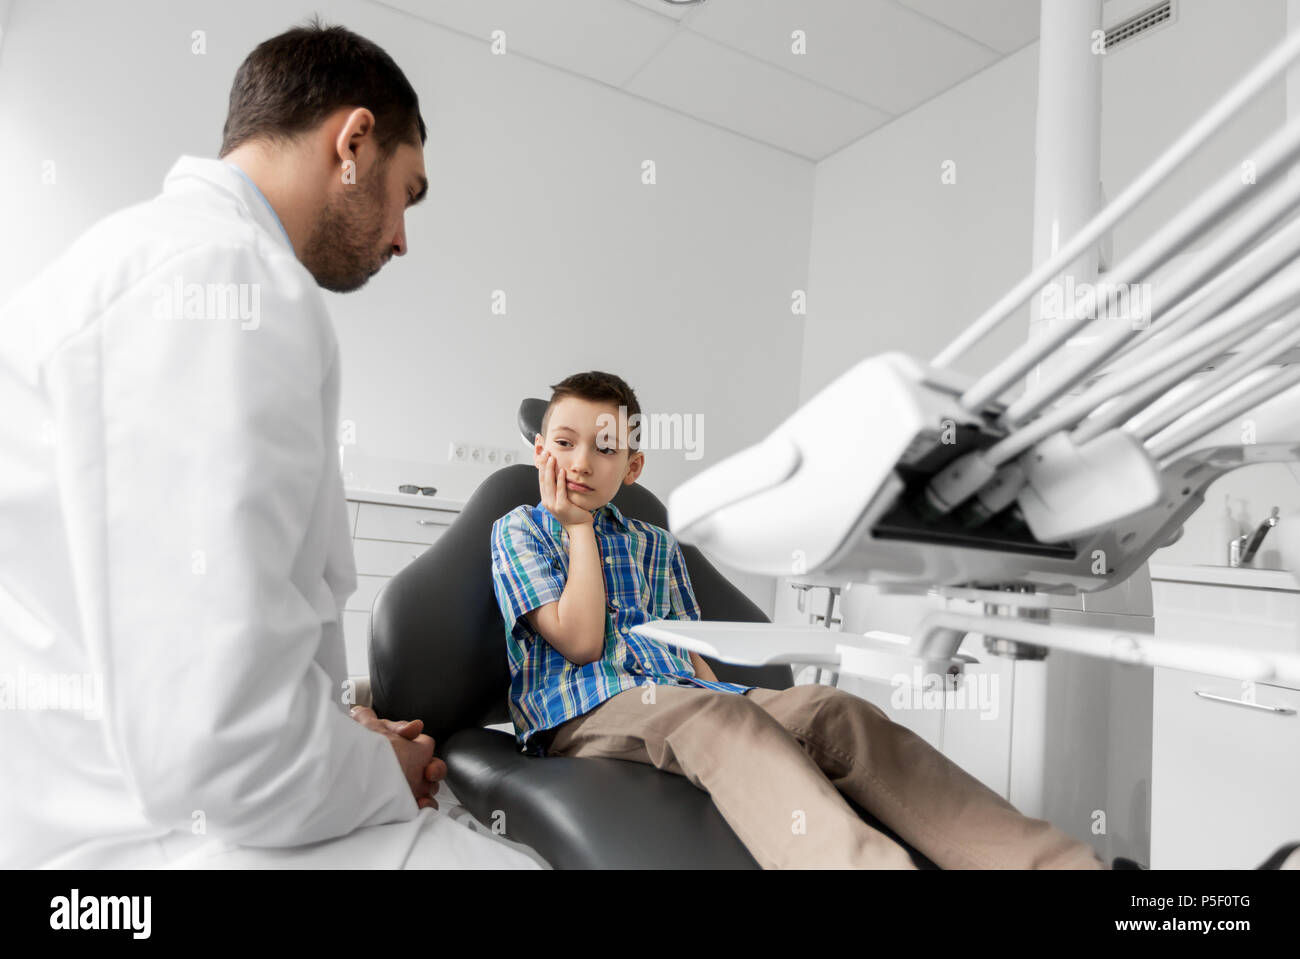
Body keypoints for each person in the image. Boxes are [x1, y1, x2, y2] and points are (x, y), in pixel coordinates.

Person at [0, 19, 538, 868]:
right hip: (137, 853)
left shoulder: (156, 262)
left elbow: (215, 665)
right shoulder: (225, 282)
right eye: (409, 192)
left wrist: (342, 727)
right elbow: (224, 748)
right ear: (353, 141)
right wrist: (383, 770)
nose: (402, 235)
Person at [489, 371, 1109, 869]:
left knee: (830, 708)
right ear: (541, 451)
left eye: (605, 448)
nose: (581, 462)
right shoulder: (519, 529)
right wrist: (578, 531)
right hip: (579, 708)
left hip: (685, 695)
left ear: (633, 467)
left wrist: (740, 697)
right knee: (718, 716)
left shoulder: (656, 544)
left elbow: (686, 649)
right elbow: (580, 641)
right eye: (564, 443)